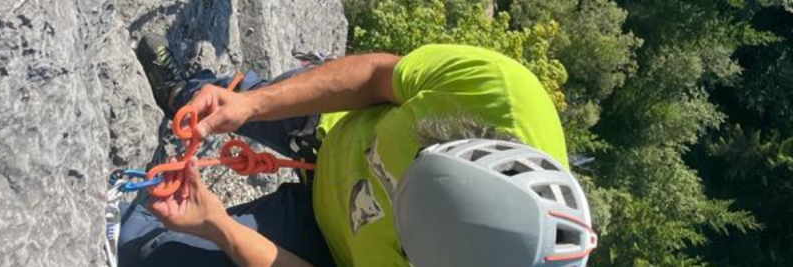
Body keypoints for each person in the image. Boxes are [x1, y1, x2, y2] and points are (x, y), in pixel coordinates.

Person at [125, 36, 597, 267]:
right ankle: (187, 85)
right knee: (220, 100)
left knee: (143, 251)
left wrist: (220, 228)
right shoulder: (499, 93)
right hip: (335, 130)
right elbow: (375, 78)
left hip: (324, 244)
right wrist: (250, 105)